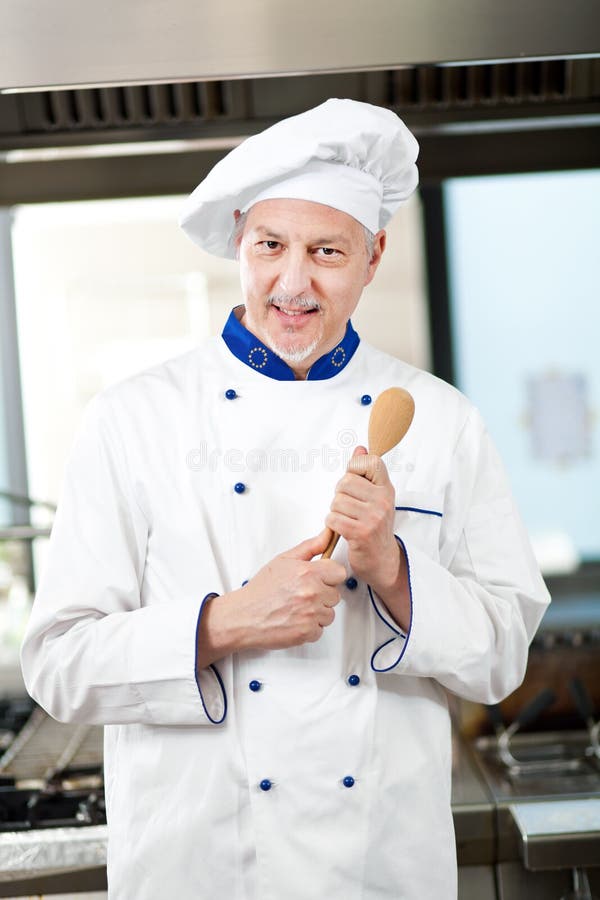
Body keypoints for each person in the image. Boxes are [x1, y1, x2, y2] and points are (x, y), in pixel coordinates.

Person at [20, 98, 550, 900]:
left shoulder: (441, 420)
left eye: (327, 251)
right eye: (270, 245)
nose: (292, 283)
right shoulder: (134, 420)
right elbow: (57, 663)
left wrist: (393, 571)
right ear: (240, 240)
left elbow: (503, 655)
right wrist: (226, 621)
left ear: (374, 256)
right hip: (201, 872)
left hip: (382, 872)